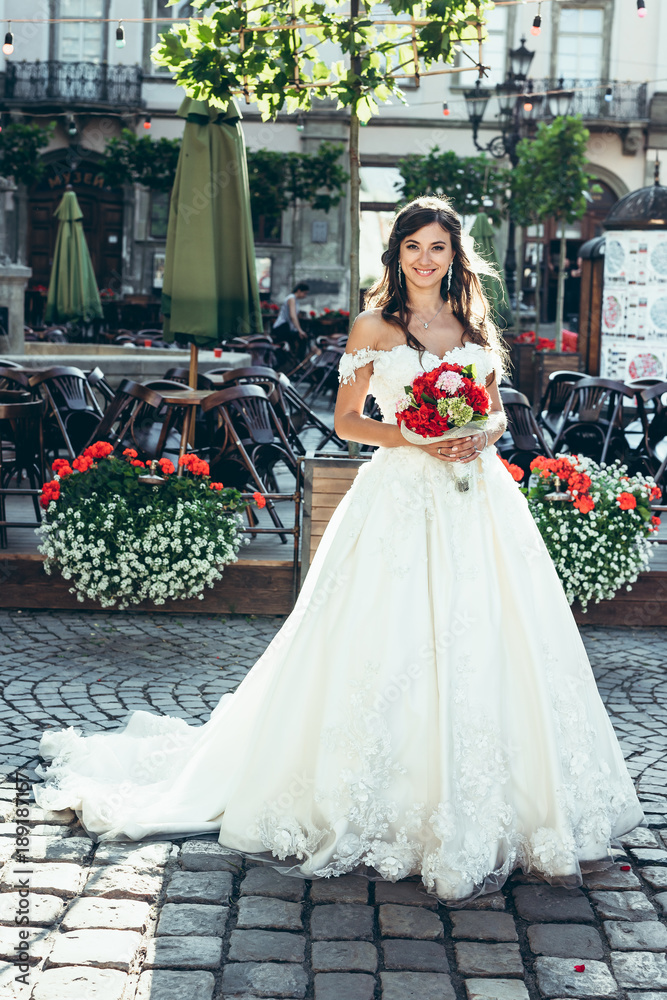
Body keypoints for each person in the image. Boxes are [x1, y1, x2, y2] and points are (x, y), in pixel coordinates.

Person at [34, 196, 644, 903]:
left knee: (489, 635)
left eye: (436, 248)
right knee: (385, 639)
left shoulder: (470, 323)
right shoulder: (372, 325)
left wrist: (483, 434)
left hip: (476, 498)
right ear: (396, 254)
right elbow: (351, 421)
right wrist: (415, 435)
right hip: (400, 497)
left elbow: (494, 405)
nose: (424, 259)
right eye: (412, 247)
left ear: (454, 255)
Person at [272, 281, 310, 361]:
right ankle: (298, 361)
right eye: (304, 293)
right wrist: (300, 330)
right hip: (281, 327)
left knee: (302, 339)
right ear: (299, 290)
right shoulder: (291, 298)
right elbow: (293, 316)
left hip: (286, 327)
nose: (305, 296)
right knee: (301, 339)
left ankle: (298, 362)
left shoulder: (294, 299)